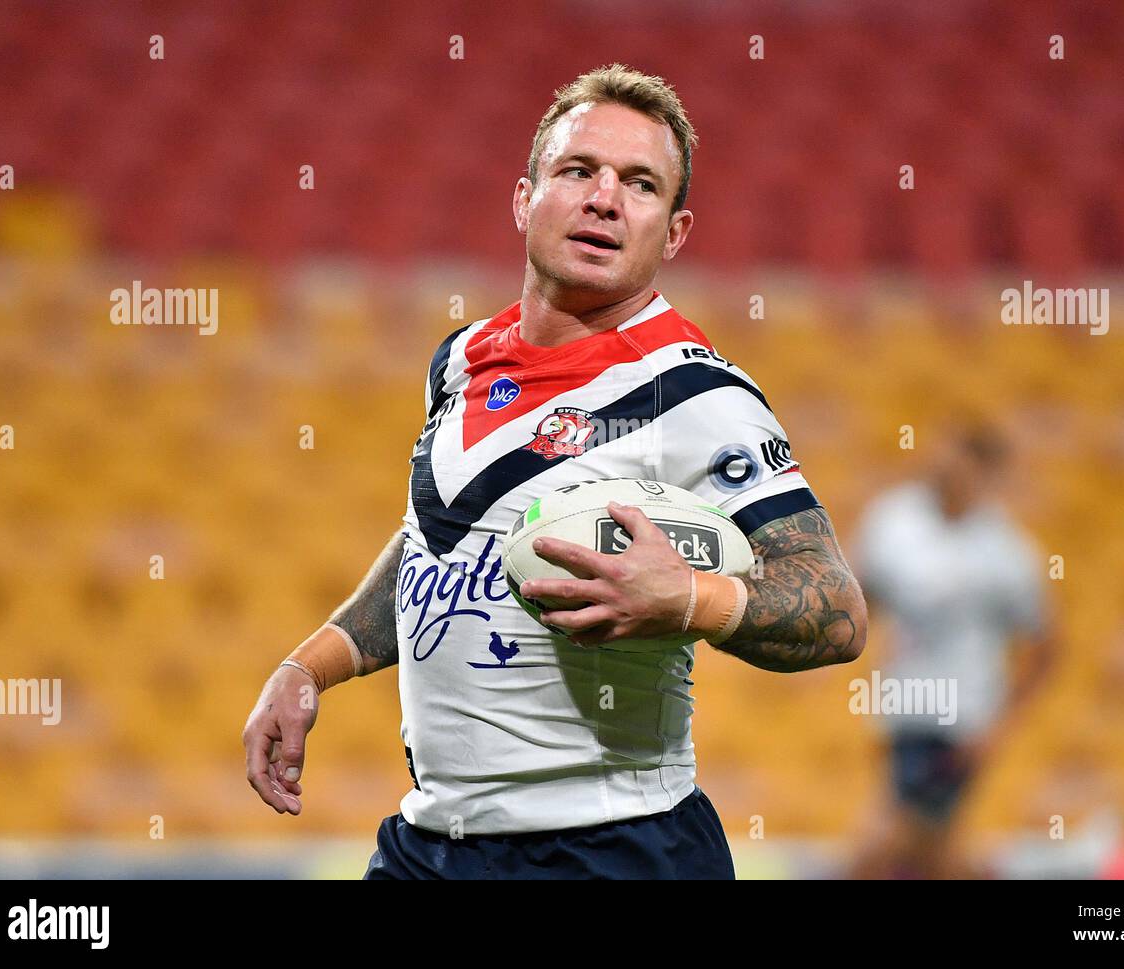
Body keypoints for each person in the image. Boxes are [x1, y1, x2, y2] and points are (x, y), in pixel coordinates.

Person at [242, 63, 867, 879]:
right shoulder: (462, 361)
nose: (605, 198)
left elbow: (838, 611)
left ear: (673, 234)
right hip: (431, 846)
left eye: (641, 184)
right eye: (580, 170)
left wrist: (688, 598)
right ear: (524, 198)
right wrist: (309, 666)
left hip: (616, 846)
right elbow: (437, 544)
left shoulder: (695, 392)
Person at [848, 423, 1056, 879]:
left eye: (957, 468)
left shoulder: (1008, 551)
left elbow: (1044, 648)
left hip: (962, 720)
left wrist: (999, 726)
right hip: (903, 709)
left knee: (883, 845)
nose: (942, 474)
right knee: (931, 852)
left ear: (985, 475)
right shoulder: (894, 520)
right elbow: (864, 601)